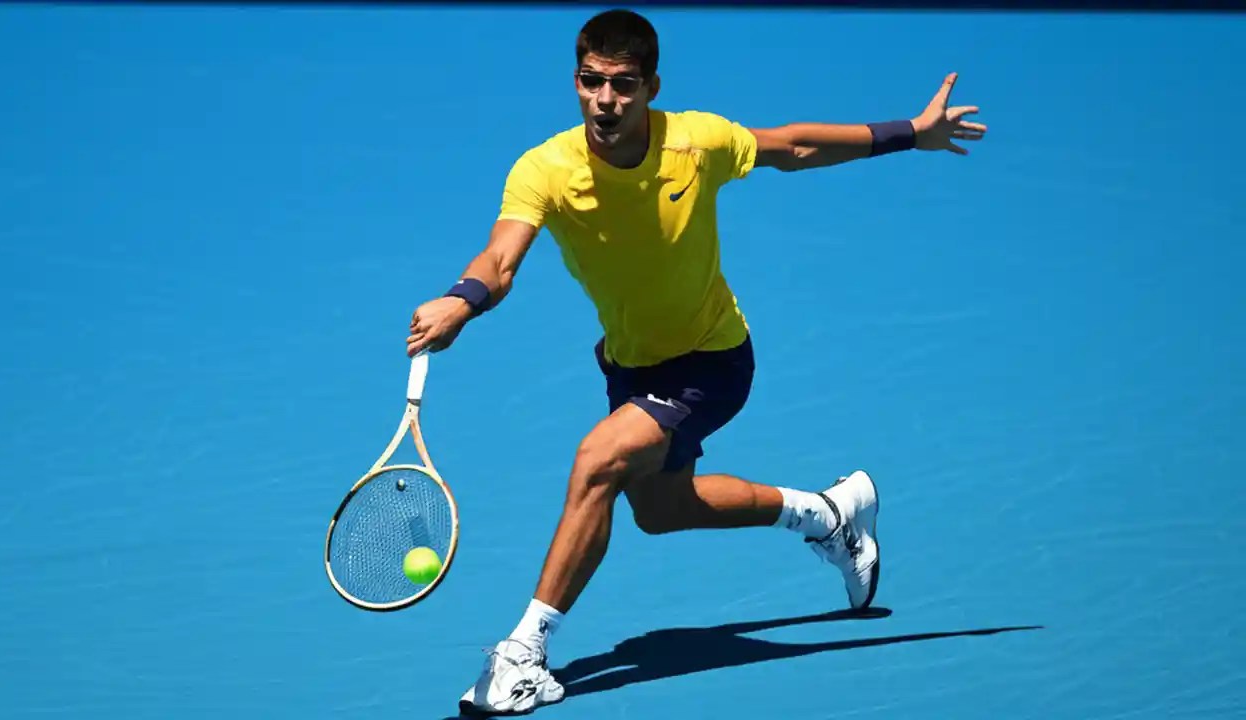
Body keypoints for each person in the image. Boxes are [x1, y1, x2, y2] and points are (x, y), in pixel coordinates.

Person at [405, 9, 985, 716]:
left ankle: (523, 652)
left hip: (711, 360)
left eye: (623, 85)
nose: (605, 101)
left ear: (651, 86)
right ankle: (828, 514)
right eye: (591, 82)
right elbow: (500, 258)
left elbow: (793, 147)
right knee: (662, 509)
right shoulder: (545, 169)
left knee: (598, 461)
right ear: (576, 81)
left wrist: (909, 135)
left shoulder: (695, 143)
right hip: (631, 366)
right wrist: (462, 301)